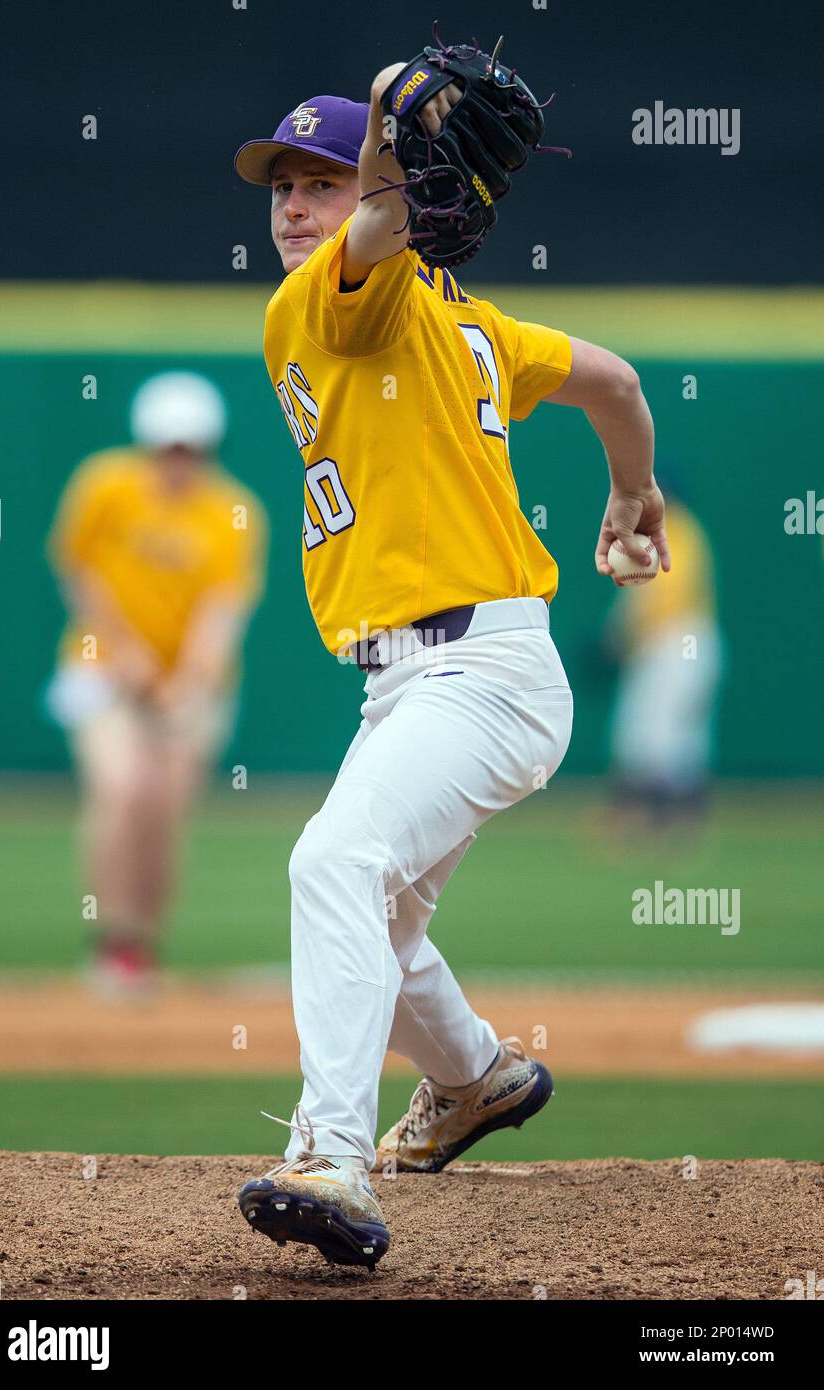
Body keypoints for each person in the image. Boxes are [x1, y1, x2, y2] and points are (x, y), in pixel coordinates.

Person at [234, 71, 669, 1269]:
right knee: (377, 916)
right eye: (283, 185)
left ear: (384, 198)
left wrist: (386, 115)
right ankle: (475, 1075)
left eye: (319, 183)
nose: (294, 207)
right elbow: (618, 384)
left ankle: (328, 1152)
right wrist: (631, 489)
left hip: (478, 670)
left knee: (329, 856)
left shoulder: (348, 300)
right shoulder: (462, 324)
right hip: (417, 682)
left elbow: (380, 230)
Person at [47, 372, 268, 997]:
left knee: (165, 807)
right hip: (101, 671)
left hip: (188, 687)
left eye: (190, 449)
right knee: (120, 787)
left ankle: (143, 942)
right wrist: (124, 653)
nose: (178, 462)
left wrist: (187, 680)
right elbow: (79, 569)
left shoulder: (235, 510)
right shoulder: (105, 485)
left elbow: (222, 611)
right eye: (168, 448)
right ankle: (112, 940)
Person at [606, 474, 722, 826]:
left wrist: (616, 638)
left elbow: (656, 598)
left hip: (673, 642)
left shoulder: (672, 530)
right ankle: (677, 823)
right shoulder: (687, 530)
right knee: (681, 737)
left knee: (653, 733)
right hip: (692, 641)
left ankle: (652, 823)